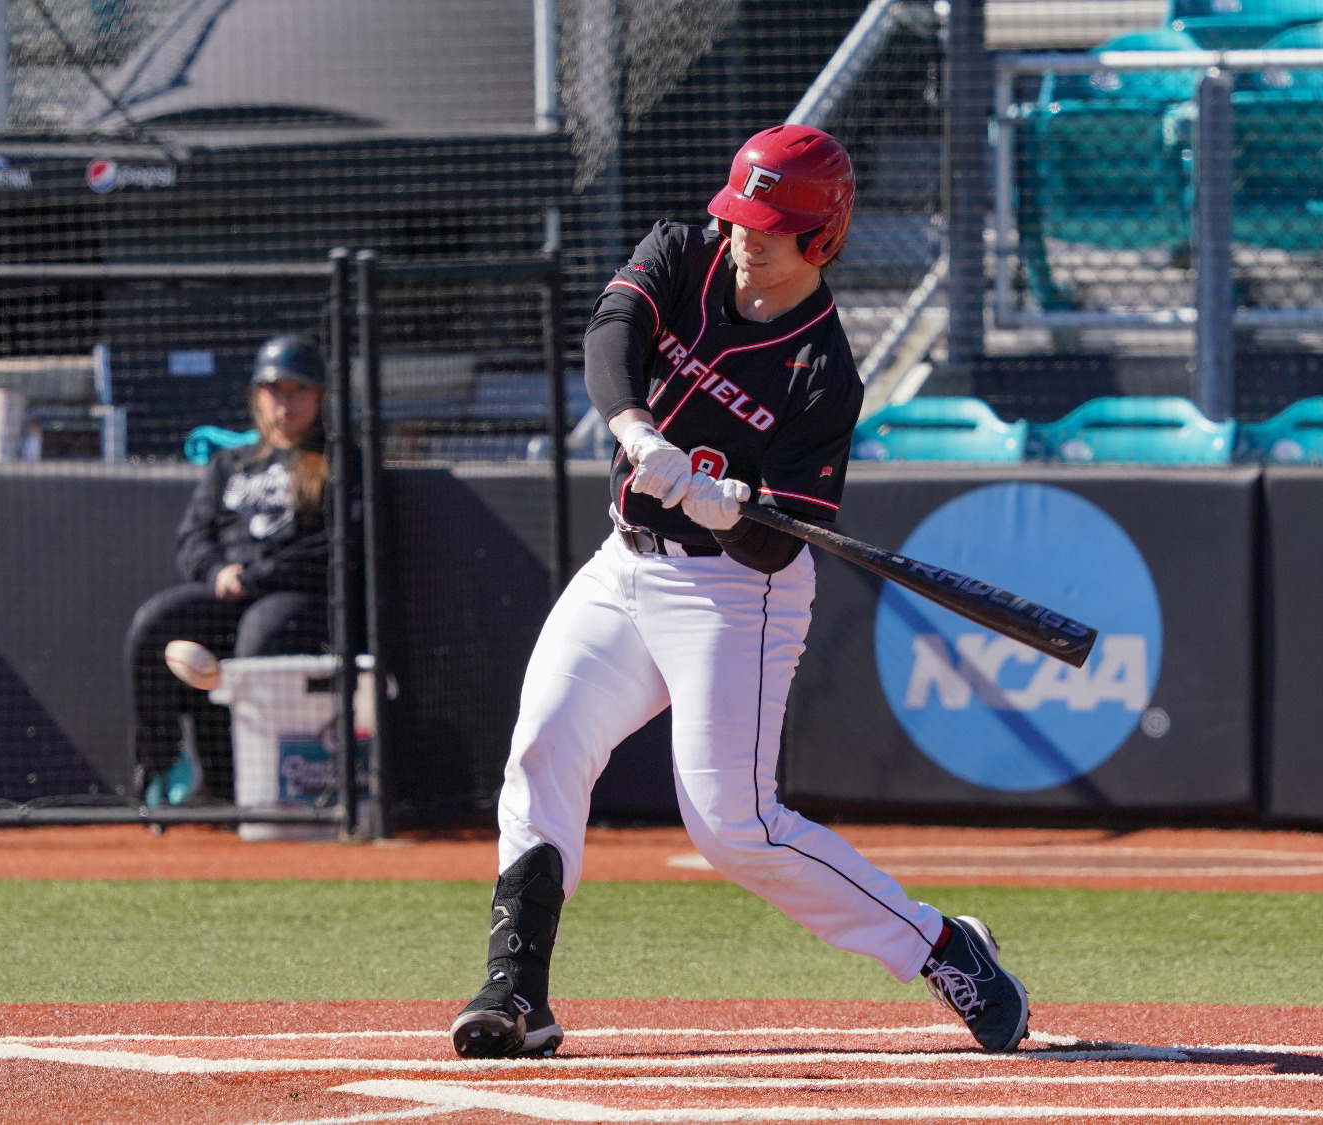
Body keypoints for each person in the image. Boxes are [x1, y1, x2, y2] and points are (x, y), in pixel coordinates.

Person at [448, 125, 1030, 1060]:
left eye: (771, 225)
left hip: (734, 597)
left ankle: (941, 944)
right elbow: (610, 339)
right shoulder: (681, 252)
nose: (745, 236)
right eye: (741, 215)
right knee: (545, 747)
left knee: (734, 825)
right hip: (624, 562)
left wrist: (727, 510)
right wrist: (641, 435)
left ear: (822, 237)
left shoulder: (822, 371)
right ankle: (519, 990)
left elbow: (773, 543)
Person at [123, 333, 331, 805]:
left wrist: (257, 577)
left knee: (260, 636)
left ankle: (251, 788)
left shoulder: (336, 461)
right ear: (258, 396)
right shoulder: (229, 463)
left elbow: (336, 545)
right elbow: (192, 537)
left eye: (299, 390)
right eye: (275, 389)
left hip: (295, 595)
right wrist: (217, 572)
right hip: (227, 590)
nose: (286, 402)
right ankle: (164, 764)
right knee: (155, 625)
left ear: (319, 397)